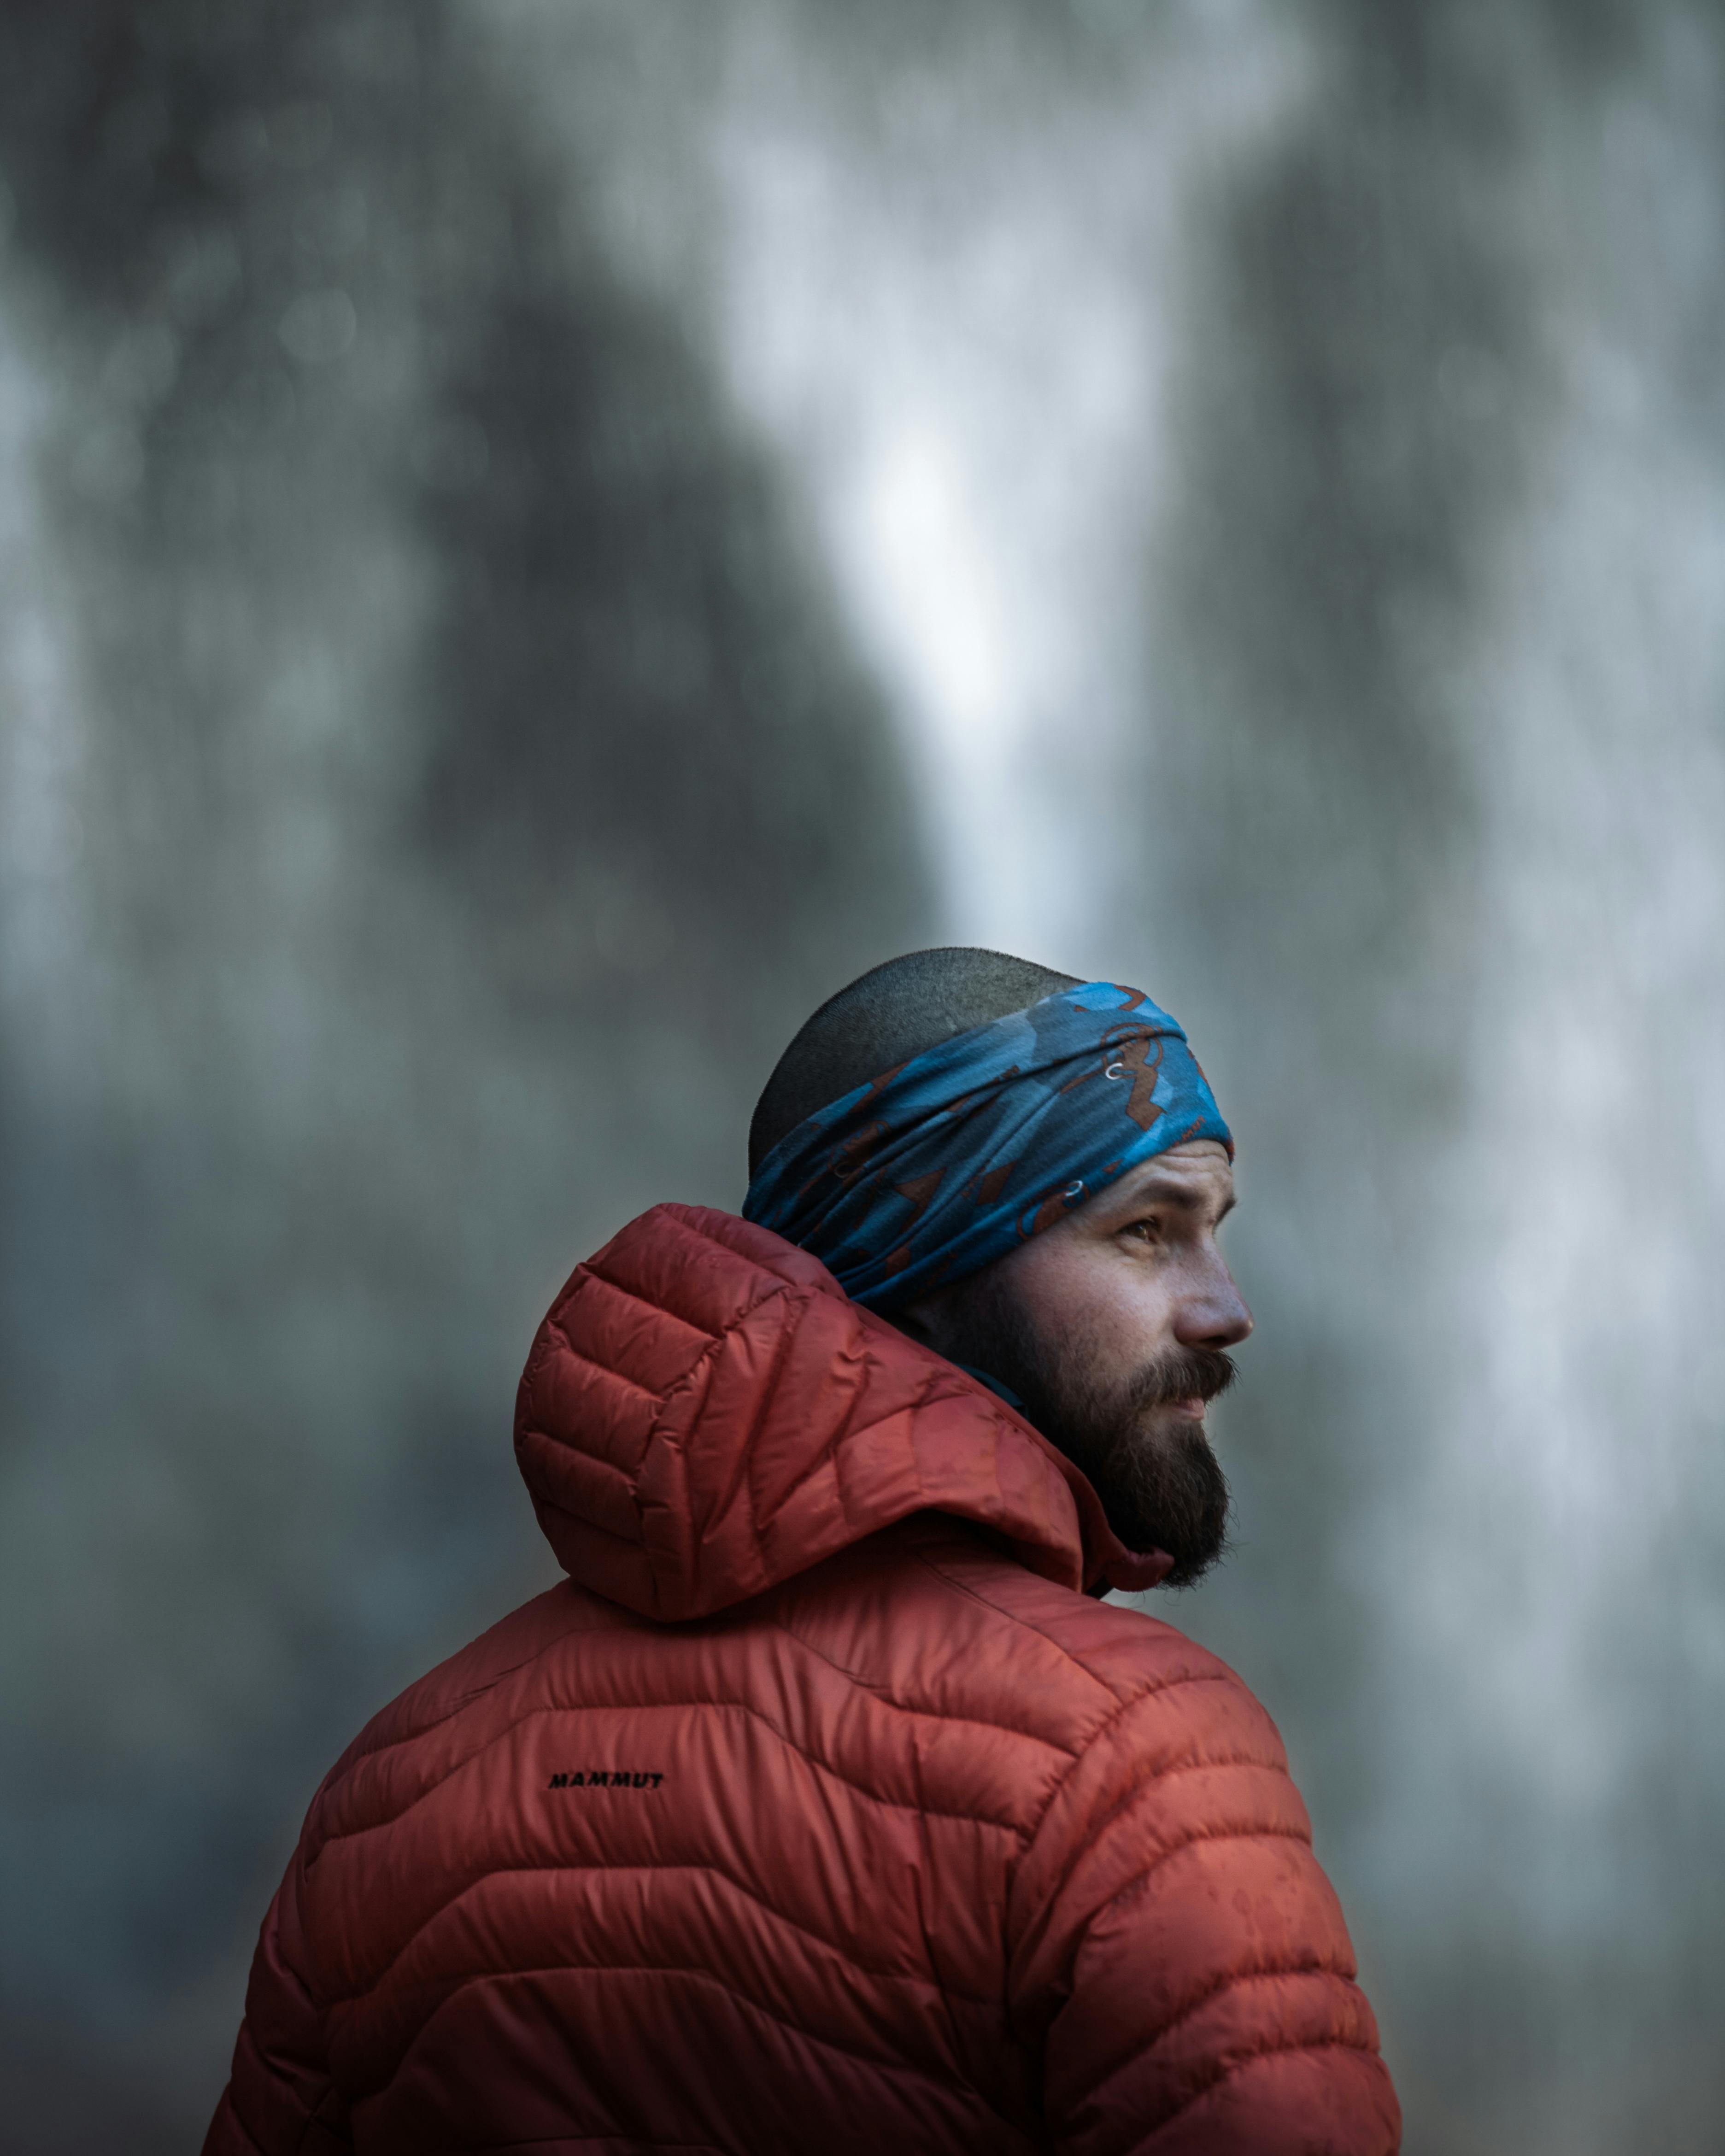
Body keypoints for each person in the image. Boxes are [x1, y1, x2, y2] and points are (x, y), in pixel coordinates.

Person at [204, 947, 1401, 2155]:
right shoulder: (1132, 1754)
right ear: (924, 1264)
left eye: (1213, 1233)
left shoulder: (388, 1793)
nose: (1227, 1308)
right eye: (1145, 1230)